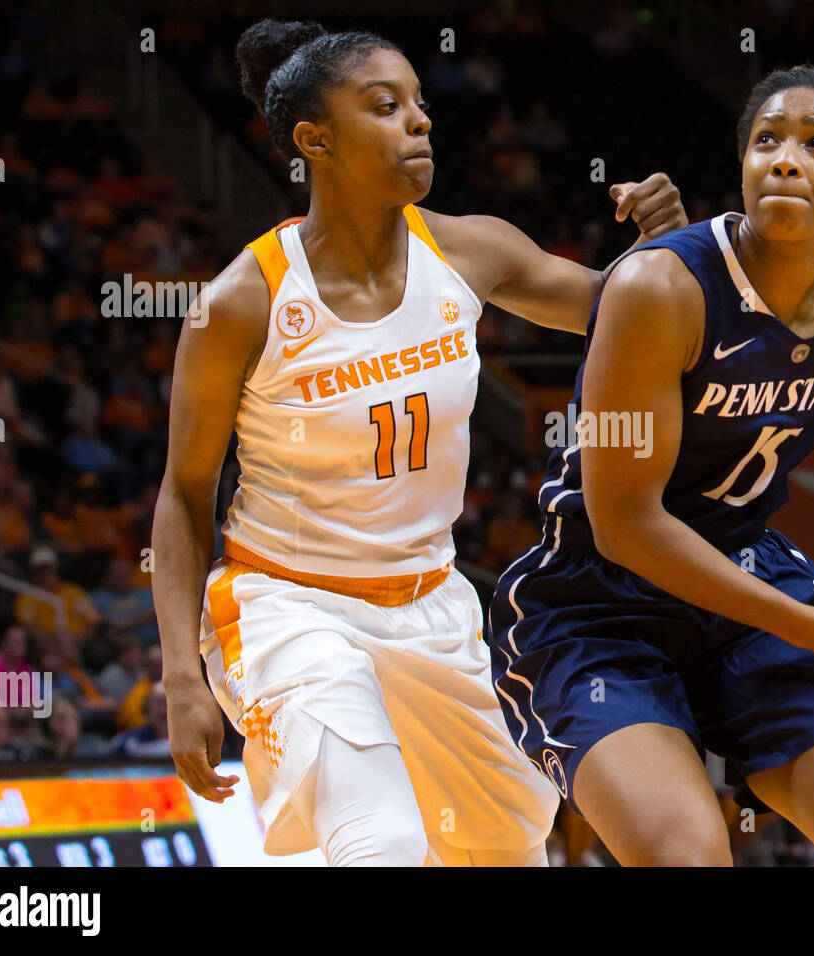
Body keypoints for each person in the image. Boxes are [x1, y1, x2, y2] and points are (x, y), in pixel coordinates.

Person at [153, 19, 688, 868]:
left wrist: (662, 246)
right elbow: (184, 496)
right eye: (385, 105)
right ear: (314, 140)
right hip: (287, 606)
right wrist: (183, 675)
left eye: (418, 104)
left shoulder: (470, 250)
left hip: (435, 607)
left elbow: (635, 318)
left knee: (509, 846)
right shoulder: (240, 303)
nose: (419, 121)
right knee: (384, 845)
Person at [489, 65, 814, 866]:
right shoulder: (659, 288)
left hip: (747, 578)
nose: (786, 160)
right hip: (594, 607)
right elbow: (625, 526)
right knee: (688, 854)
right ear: (745, 166)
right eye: (768, 141)